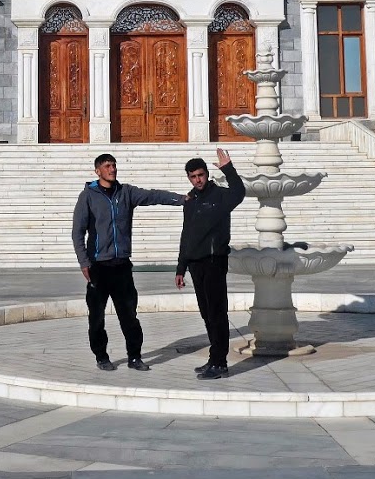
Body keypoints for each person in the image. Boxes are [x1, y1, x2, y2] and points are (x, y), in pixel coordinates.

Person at [71, 153, 185, 371]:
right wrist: (84, 262)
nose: (112, 169)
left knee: (129, 316)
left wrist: (181, 199)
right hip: (98, 267)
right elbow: (77, 232)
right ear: (98, 171)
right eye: (107, 166)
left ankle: (134, 357)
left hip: (122, 266)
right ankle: (101, 356)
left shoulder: (126, 193)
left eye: (114, 165)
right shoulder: (88, 196)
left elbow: (153, 196)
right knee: (97, 317)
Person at [175, 147, 246, 379]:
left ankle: (220, 363)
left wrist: (228, 169)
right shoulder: (191, 200)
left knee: (217, 313)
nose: (198, 180)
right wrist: (181, 267)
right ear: (189, 178)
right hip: (195, 264)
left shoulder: (221, 196)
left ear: (207, 174)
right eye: (193, 177)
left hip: (215, 261)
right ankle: (214, 358)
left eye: (201, 175)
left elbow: (240, 192)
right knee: (206, 314)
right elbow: (186, 235)